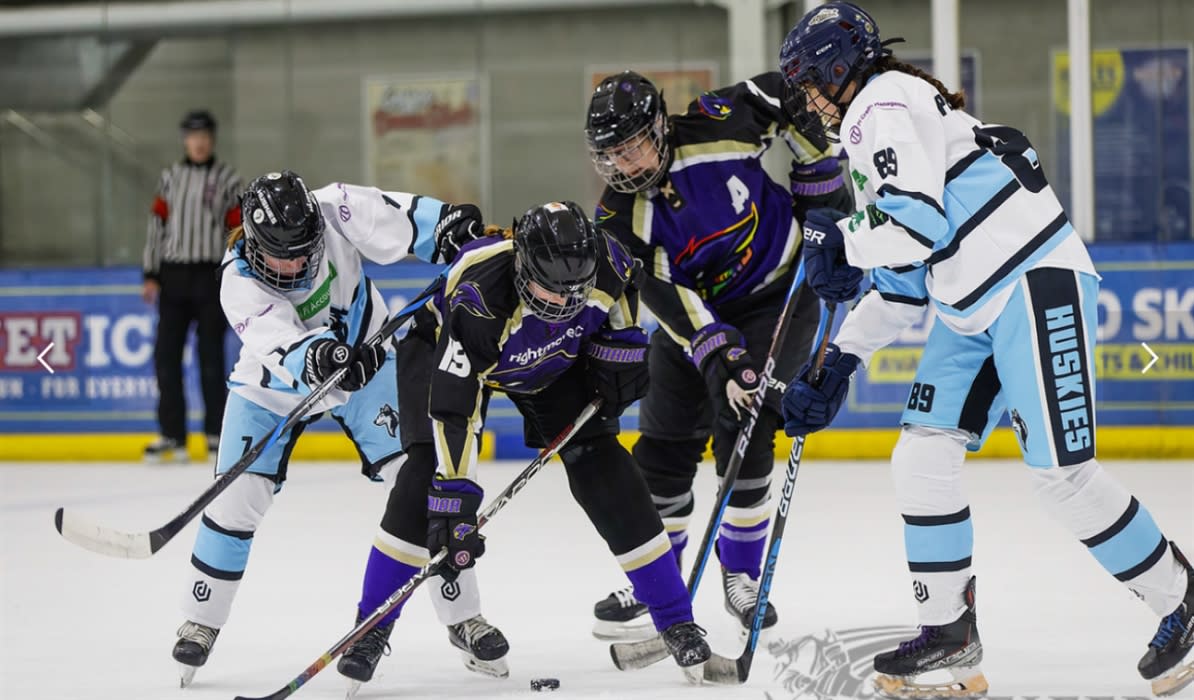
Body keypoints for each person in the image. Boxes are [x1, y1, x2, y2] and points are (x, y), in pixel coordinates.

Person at [776, 4, 1194, 698]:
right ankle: (948, 636)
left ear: (844, 68)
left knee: (1062, 478)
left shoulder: (879, 103)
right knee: (921, 454)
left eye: (813, 80)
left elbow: (915, 227)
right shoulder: (887, 121)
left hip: (1036, 284)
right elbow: (907, 281)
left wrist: (843, 238)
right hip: (972, 308)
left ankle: (1181, 600)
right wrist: (840, 359)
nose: (810, 97)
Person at [337, 201, 714, 689]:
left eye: (573, 292)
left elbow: (625, 302)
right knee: (424, 481)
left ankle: (675, 618)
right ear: (522, 267)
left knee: (604, 467)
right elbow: (456, 407)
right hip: (446, 352)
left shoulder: (609, 261)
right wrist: (455, 497)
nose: (561, 303)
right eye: (548, 289)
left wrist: (621, 350)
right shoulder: (479, 292)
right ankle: (371, 626)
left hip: (549, 364)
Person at [170, 170, 495, 687]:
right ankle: (201, 619)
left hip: (370, 364)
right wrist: (325, 357)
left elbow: (402, 218)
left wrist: (448, 228)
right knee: (236, 499)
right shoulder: (236, 279)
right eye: (282, 255)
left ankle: (463, 616)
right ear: (254, 245)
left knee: (422, 486)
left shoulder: (334, 208)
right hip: (271, 386)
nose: (296, 263)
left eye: (304, 250)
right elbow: (282, 342)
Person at [583, 70, 853, 638]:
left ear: (659, 126)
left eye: (632, 147)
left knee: (747, 425)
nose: (626, 166)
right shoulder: (618, 217)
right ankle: (657, 580)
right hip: (697, 319)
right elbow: (669, 298)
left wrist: (819, 175)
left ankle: (742, 573)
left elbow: (785, 92)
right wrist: (719, 354)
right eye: (612, 157)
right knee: (661, 448)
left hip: (780, 291)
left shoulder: (715, 125)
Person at [141, 110, 242, 463]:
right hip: (173, 276)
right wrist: (150, 274)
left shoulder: (228, 179)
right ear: (185, 139)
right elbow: (158, 226)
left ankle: (215, 432)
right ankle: (173, 434)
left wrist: (236, 273)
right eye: (192, 135)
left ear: (212, 139)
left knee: (211, 357)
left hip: (210, 276)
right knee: (166, 357)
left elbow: (237, 231)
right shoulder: (170, 177)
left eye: (204, 135)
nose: (198, 142)